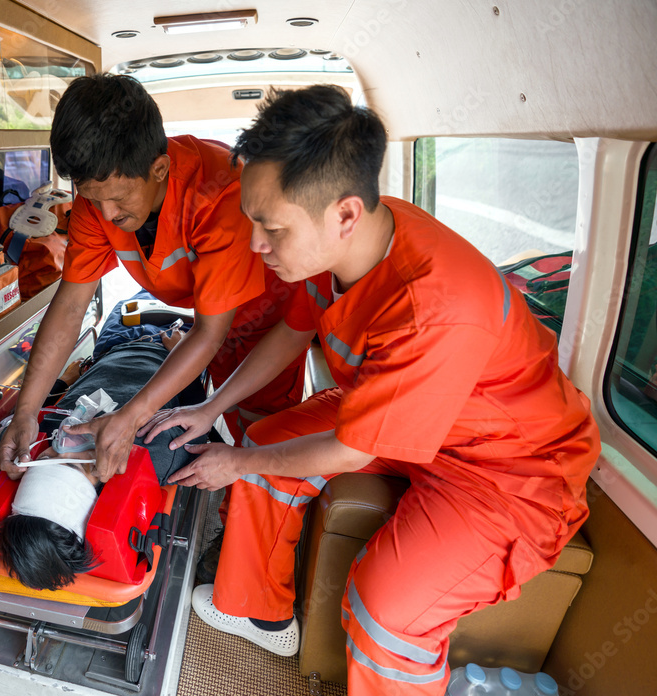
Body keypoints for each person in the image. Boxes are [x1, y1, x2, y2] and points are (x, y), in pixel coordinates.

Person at [139, 85, 600, 694]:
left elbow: (351, 451)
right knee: (265, 440)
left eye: (270, 228)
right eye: (252, 222)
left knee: (384, 615)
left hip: (508, 471)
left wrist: (236, 461)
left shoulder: (435, 305)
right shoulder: (346, 249)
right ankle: (259, 612)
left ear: (345, 213)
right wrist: (209, 410)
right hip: (411, 423)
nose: (256, 245)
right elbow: (293, 329)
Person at [0, 74, 305, 486]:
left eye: (119, 199)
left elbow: (212, 332)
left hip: (265, 319)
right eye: (91, 197)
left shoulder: (219, 196)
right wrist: (26, 411)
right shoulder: (98, 196)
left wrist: (131, 417)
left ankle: (252, 495)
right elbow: (71, 306)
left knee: (257, 433)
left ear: (159, 169)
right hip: (204, 319)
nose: (105, 215)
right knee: (213, 411)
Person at [0, 334, 202, 590]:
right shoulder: (160, 451)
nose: (64, 442)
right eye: (72, 465)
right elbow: (197, 410)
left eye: (46, 459)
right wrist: (181, 349)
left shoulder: (34, 433)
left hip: (112, 343)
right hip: (171, 354)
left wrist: (63, 382)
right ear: (101, 480)